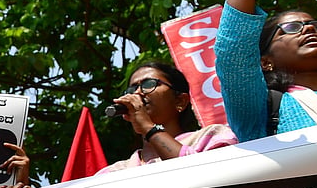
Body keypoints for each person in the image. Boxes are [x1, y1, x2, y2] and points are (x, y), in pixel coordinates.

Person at [215, 0, 317, 142]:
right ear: (265, 62)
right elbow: (234, 52)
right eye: (291, 28)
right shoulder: (262, 109)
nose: (310, 28)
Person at [96, 62, 237, 175]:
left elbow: (203, 177)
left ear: (180, 101)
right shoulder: (114, 173)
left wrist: (149, 128)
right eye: (132, 90)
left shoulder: (213, 137)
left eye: (149, 84)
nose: (138, 92)